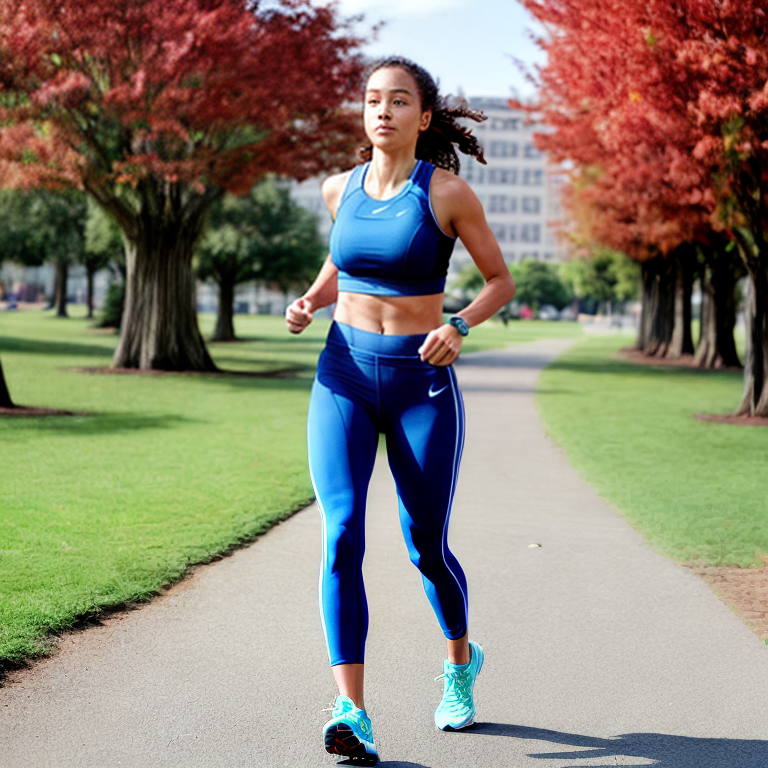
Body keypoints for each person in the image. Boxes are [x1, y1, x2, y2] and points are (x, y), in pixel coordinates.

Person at [285, 56, 515, 765]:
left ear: (424, 116)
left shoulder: (446, 193)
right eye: (372, 100)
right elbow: (342, 266)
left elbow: (500, 281)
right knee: (341, 533)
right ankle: (351, 711)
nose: (382, 110)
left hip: (422, 383)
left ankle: (460, 663)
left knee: (425, 545)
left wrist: (460, 324)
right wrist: (310, 300)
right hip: (344, 374)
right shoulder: (340, 189)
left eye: (398, 100)